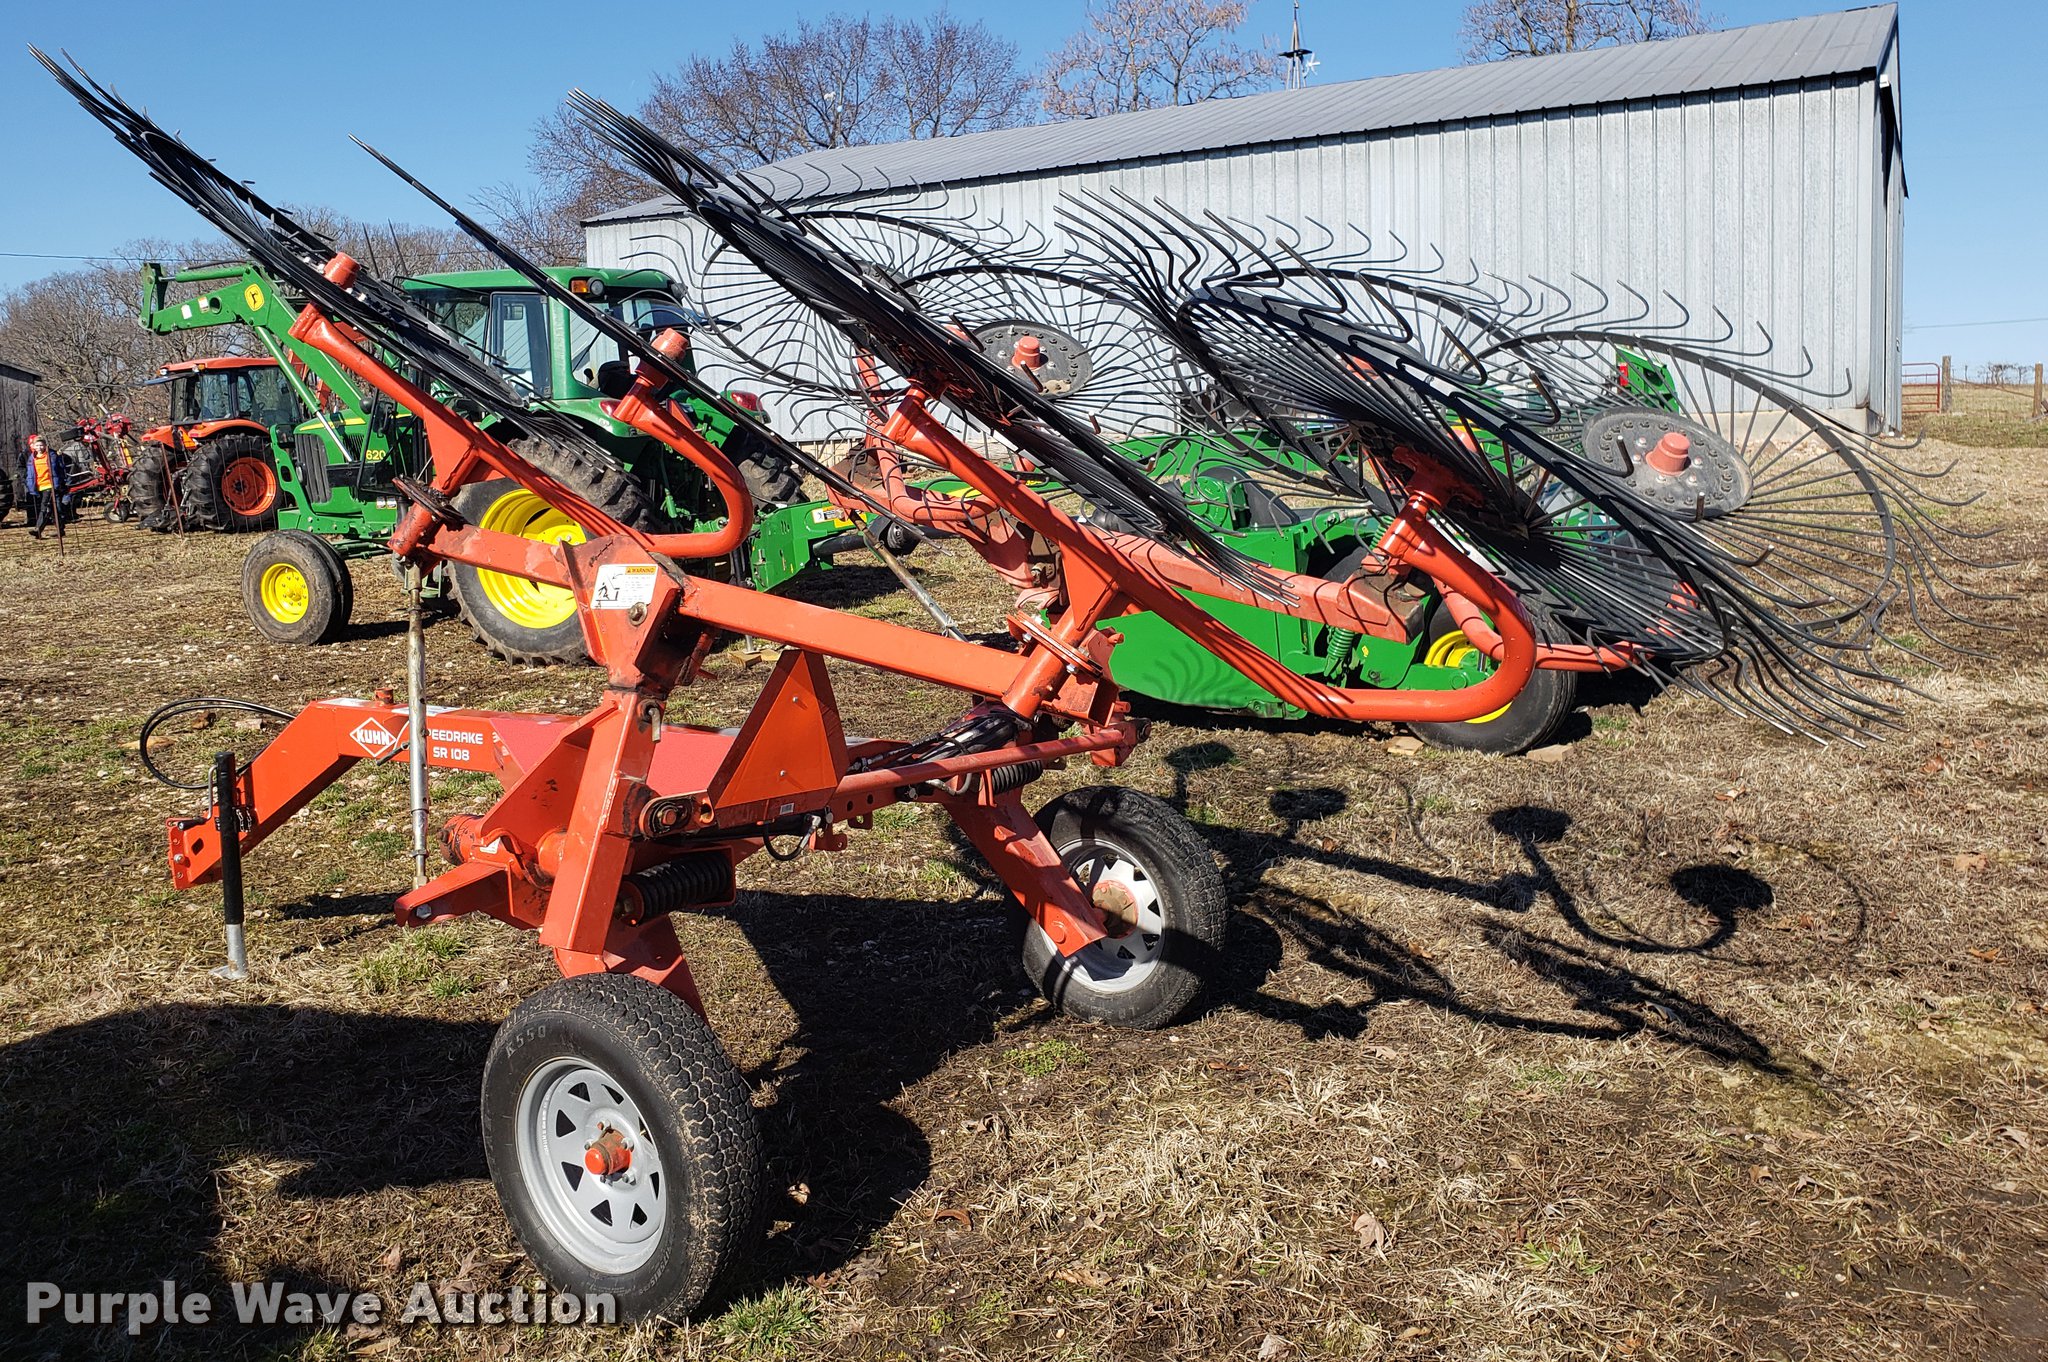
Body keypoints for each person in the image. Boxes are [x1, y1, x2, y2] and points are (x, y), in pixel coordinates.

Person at [24, 434, 69, 538]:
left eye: (41, 445)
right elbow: (31, 474)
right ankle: (61, 530)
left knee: (45, 507)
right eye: (37, 445)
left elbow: (60, 469)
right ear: (33, 446)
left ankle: (38, 530)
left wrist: (61, 482)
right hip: (39, 486)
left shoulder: (51, 456)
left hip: (50, 485)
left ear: (45, 445)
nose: (40, 447)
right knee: (54, 509)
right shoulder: (32, 459)